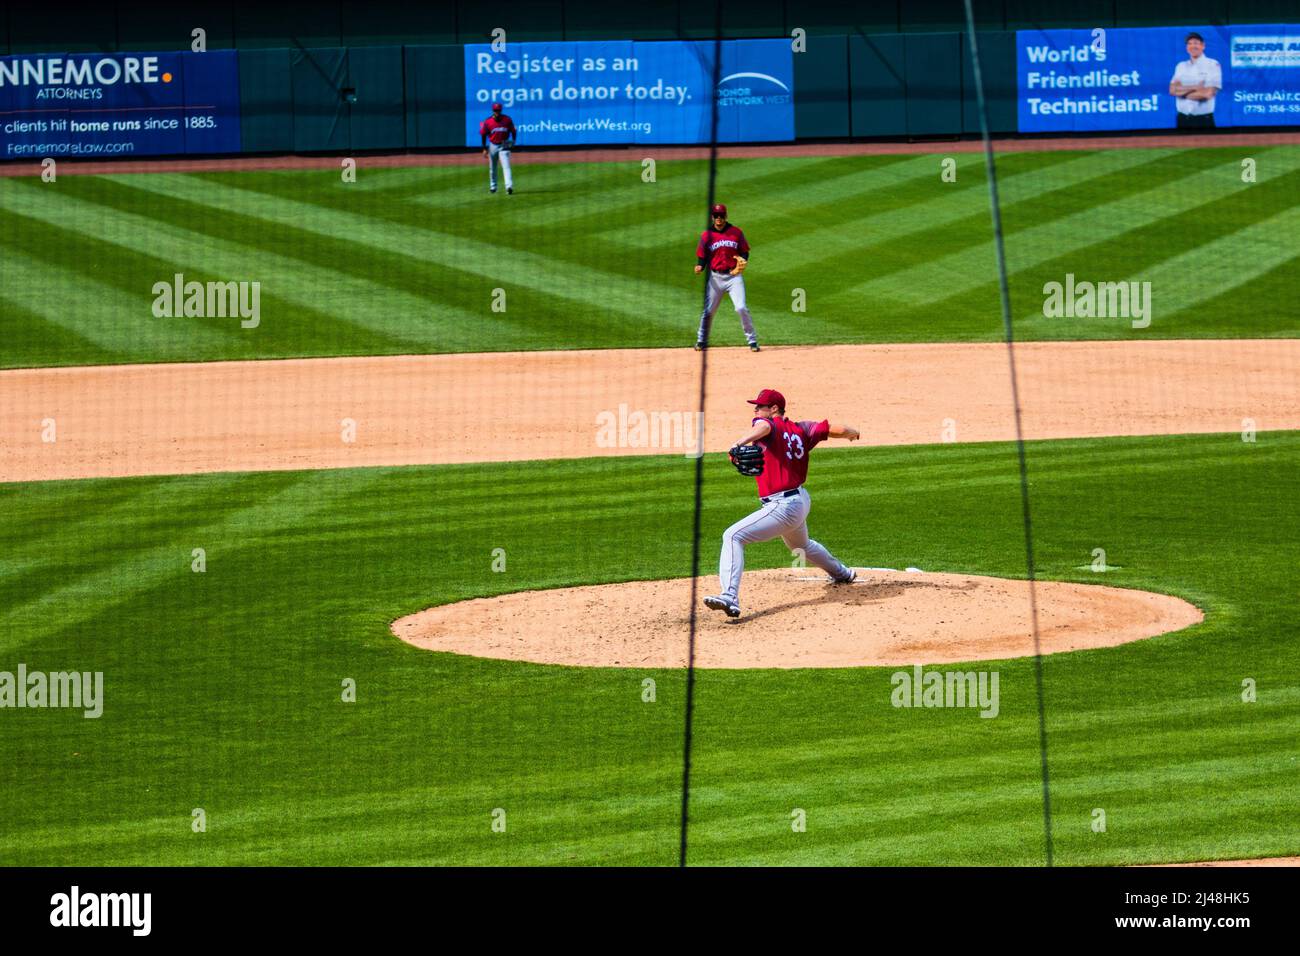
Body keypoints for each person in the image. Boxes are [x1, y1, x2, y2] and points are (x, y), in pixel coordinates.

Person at [704, 388, 859, 619]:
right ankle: (843, 573)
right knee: (802, 546)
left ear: (774, 408)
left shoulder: (767, 425)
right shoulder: (802, 429)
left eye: (760, 406)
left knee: (733, 536)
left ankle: (729, 596)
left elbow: (764, 427)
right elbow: (839, 429)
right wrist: (853, 433)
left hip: (782, 506)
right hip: (800, 500)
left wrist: (740, 442)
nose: (756, 410)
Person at [694, 203, 760, 352]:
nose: (719, 218)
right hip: (715, 278)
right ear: (712, 217)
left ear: (726, 216)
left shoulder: (736, 232)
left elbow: (744, 251)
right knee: (708, 311)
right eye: (716, 216)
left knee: (741, 308)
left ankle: (753, 341)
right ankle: (701, 340)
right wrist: (700, 266)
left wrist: (744, 260)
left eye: (721, 216)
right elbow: (702, 255)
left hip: (733, 277)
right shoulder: (706, 236)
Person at [1169, 32, 1221, 130]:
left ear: (1203, 46)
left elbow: (1208, 94)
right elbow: (1172, 90)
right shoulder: (1181, 66)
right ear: (1186, 48)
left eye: (1196, 43)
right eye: (1189, 43)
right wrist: (1195, 87)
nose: (1192, 46)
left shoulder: (1213, 64)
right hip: (1182, 119)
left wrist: (1182, 93)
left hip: (1204, 119)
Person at [479, 102, 516, 194]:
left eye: (498, 110)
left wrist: (513, 141)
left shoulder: (507, 119)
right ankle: (493, 187)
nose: (497, 112)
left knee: (506, 166)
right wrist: (484, 148)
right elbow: (483, 135)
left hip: (504, 144)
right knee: (492, 168)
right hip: (493, 145)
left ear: (501, 110)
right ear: (493, 110)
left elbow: (513, 131)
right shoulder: (488, 121)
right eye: (496, 110)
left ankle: (509, 187)